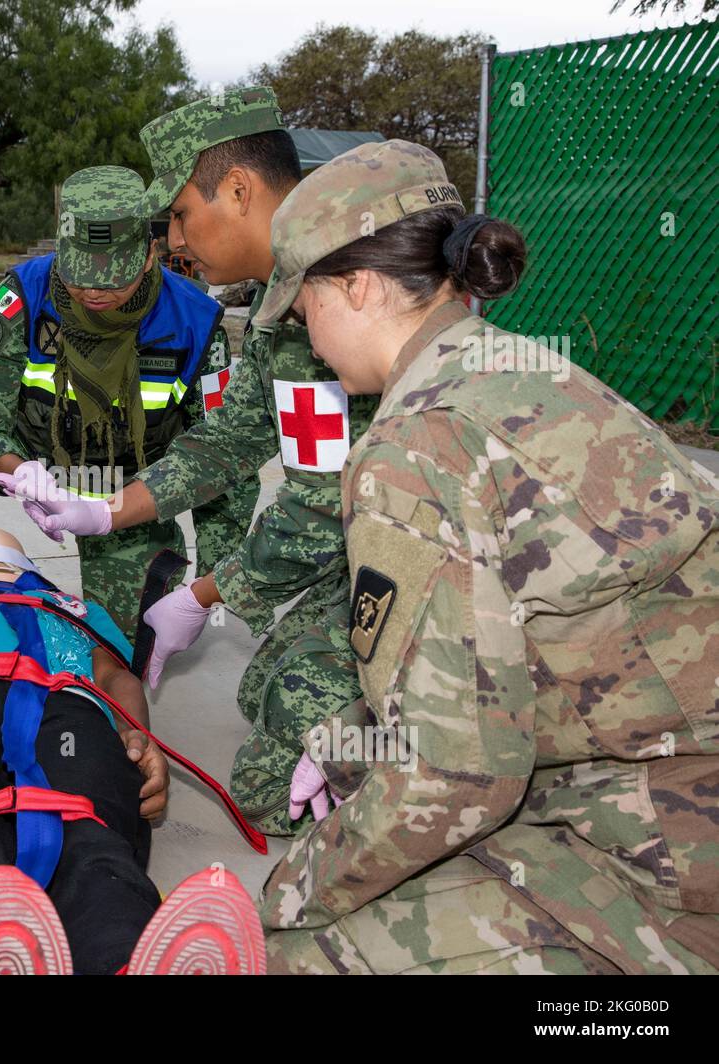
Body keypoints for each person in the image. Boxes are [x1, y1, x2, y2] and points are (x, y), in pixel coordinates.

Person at [249, 138, 719, 973]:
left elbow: (459, 774)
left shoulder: (413, 448)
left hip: (671, 850)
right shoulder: (521, 367)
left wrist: (286, 896)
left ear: (356, 288)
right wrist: (353, 740)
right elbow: (506, 651)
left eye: (303, 306)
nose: (306, 336)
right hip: (653, 759)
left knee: (295, 953)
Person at [0, 89, 376, 832]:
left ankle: (433, 752)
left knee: (269, 794)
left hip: (424, 566)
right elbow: (227, 442)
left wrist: (204, 594)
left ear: (236, 190)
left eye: (178, 214)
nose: (172, 239)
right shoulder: (278, 299)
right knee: (262, 692)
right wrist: (106, 512)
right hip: (374, 549)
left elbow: (317, 510)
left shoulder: (330, 293)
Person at [0, 527, 265, 975]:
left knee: (91, 834)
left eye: (9, 563)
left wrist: (134, 733)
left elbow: (115, 677)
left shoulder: (77, 610)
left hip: (59, 703)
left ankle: (119, 950)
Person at [0, 165, 257, 634]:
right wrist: (21, 474)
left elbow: (225, 458)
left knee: (124, 646)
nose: (93, 292)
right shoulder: (23, 297)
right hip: (34, 454)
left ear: (149, 255)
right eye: (79, 276)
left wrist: (208, 590)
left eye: (112, 280)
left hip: (127, 488)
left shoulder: (194, 322)